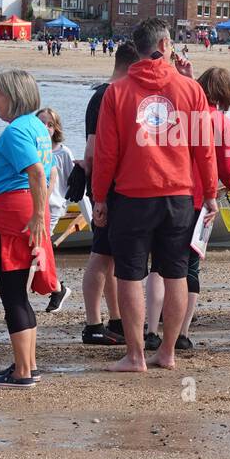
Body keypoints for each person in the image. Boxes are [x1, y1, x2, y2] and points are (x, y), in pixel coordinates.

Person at [91, 18, 217, 372]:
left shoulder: (117, 92)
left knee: (130, 274)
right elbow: (203, 148)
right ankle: (168, 352)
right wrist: (210, 193)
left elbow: (106, 154)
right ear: (164, 46)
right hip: (178, 195)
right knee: (175, 274)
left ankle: (135, 356)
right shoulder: (191, 90)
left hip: (132, 196)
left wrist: (100, 197)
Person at [143, 67, 230, 351]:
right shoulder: (222, 122)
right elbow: (227, 168)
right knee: (191, 267)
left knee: (159, 265)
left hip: (169, 194)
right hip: (200, 201)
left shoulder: (180, 116)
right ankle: (181, 333)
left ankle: (150, 330)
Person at [0, 69, 57, 388]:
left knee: (12, 295)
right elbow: (47, 173)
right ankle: (28, 363)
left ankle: (23, 372)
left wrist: (38, 216)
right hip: (24, 211)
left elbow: (38, 173)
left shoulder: (16, 131)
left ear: (13, 98)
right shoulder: (38, 126)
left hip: (14, 215)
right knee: (20, 294)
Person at [78, 43, 138, 345]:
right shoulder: (107, 95)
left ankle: (115, 319)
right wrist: (97, 190)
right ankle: (93, 323)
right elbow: (92, 150)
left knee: (111, 257)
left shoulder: (106, 94)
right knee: (101, 256)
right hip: (107, 186)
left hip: (109, 184)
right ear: (131, 65)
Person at [37, 106, 75, 313]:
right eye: (41, 123)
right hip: (34, 204)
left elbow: (72, 181)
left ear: (55, 129)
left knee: (42, 247)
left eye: (50, 124)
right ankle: (55, 287)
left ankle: (57, 288)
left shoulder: (62, 152)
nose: (45, 127)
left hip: (53, 207)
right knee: (37, 248)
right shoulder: (33, 150)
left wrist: (64, 203)